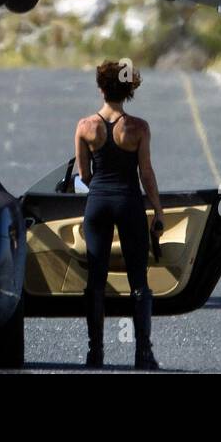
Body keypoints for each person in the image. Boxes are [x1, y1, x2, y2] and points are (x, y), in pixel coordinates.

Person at [74, 60, 164, 370]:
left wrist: (99, 187)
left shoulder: (85, 127)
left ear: (101, 88)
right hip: (128, 203)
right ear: (127, 92)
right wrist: (157, 210)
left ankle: (94, 353)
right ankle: (143, 354)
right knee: (138, 279)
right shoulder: (138, 128)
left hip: (98, 203)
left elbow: (83, 174)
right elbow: (146, 173)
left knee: (95, 280)